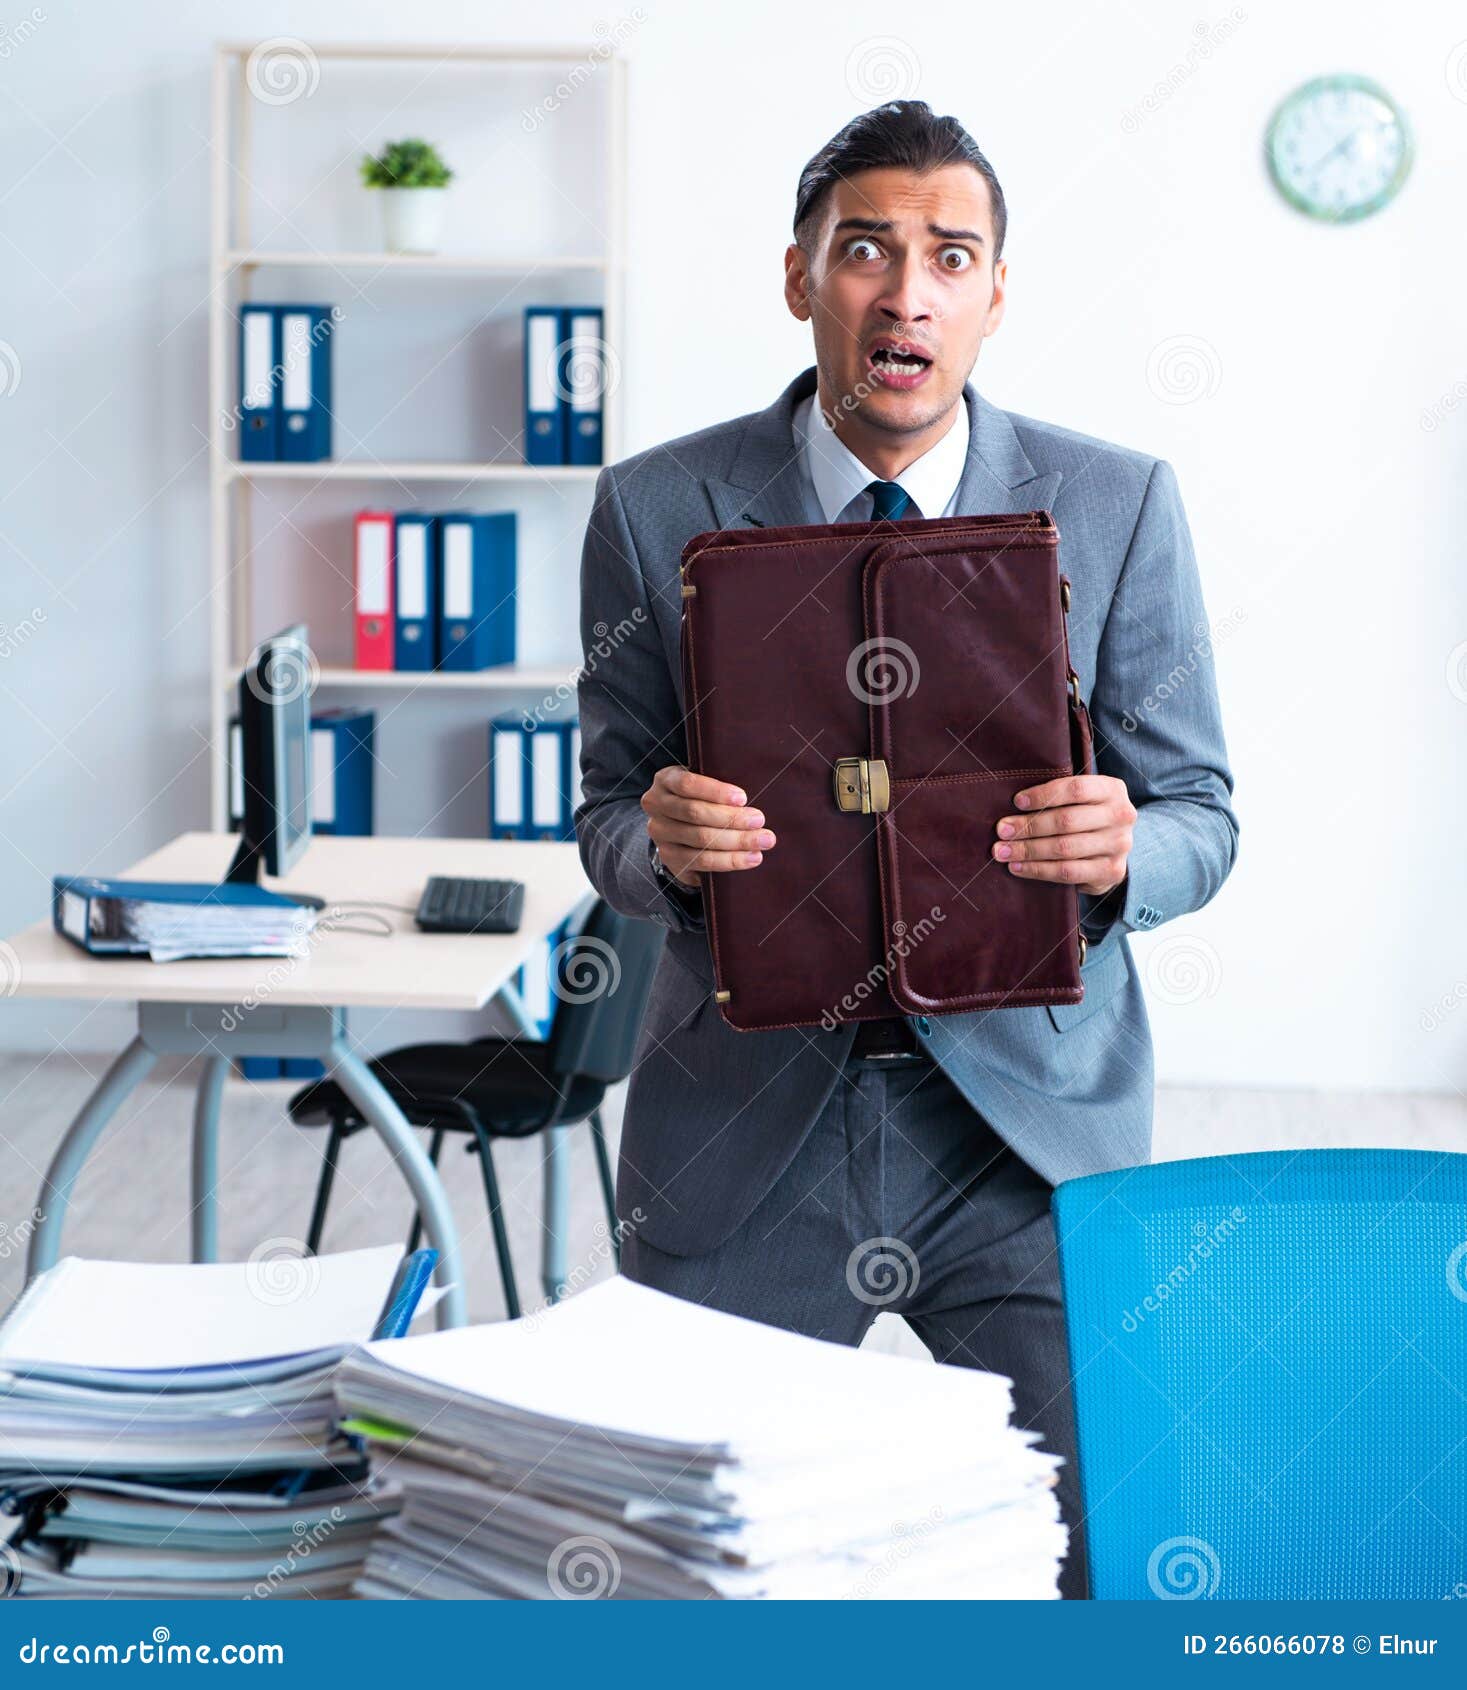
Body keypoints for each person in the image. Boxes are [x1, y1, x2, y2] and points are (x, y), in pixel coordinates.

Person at [574, 100, 1238, 1600]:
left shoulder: (1116, 504)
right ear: (799, 277)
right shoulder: (653, 506)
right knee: (686, 1572)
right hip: (742, 1132)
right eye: (866, 249)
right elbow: (604, 809)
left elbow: (1203, 814)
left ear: (995, 293)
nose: (907, 293)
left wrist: (1124, 851)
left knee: (1111, 1555)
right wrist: (660, 847)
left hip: (1026, 1140)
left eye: (951, 256)